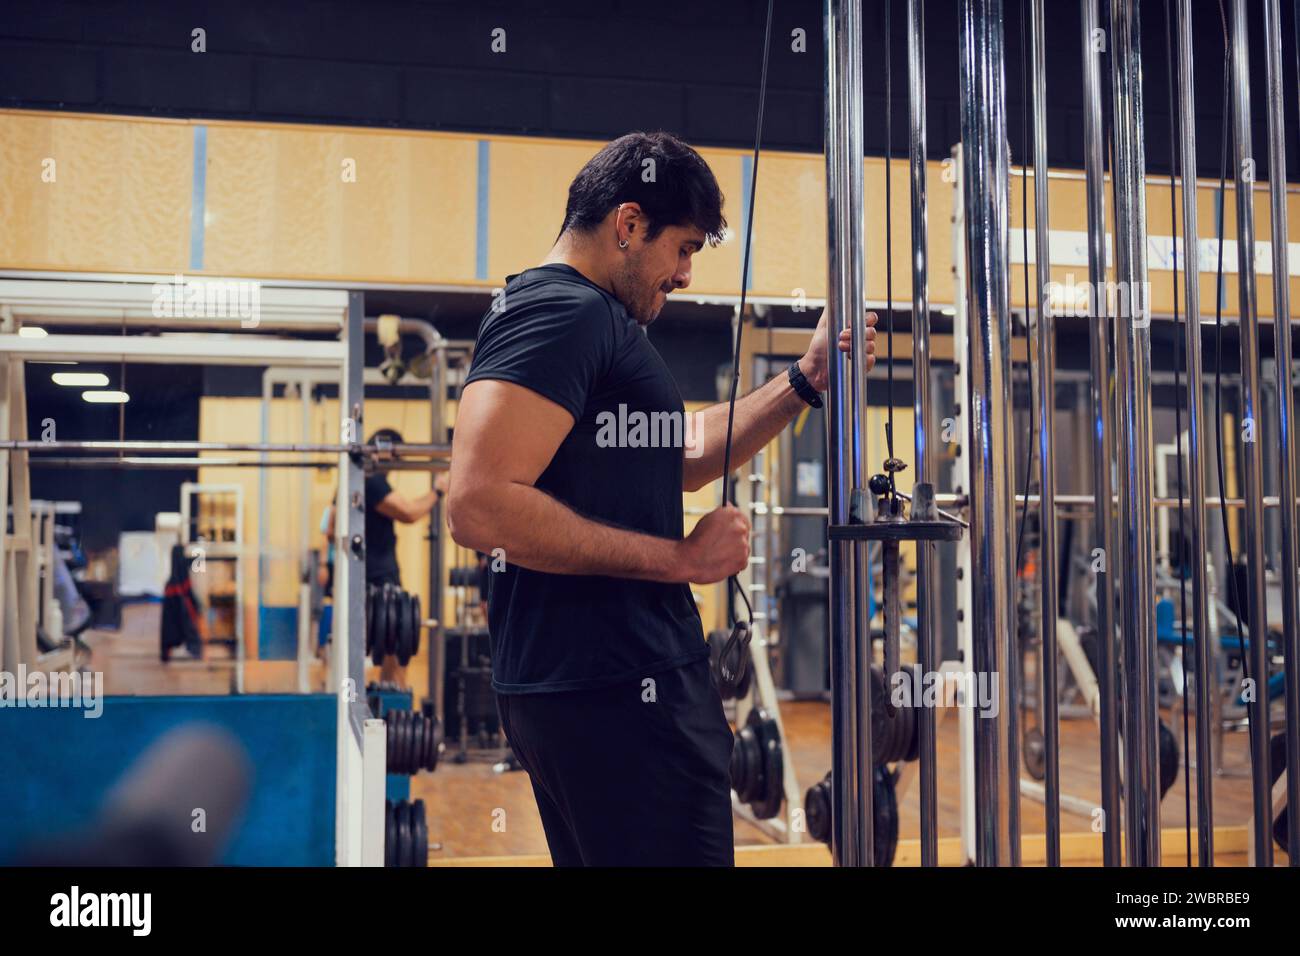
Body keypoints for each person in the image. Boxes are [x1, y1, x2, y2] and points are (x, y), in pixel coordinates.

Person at [447, 131, 876, 866]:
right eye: (681, 249)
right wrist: (680, 560)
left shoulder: (587, 320)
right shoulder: (563, 312)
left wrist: (805, 380)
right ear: (629, 223)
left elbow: (681, 454)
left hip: (600, 687)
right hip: (614, 691)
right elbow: (478, 505)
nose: (682, 275)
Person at [325, 429, 447, 682]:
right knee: (395, 641)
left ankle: (371, 702)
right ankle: (390, 699)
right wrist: (438, 491)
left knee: (371, 642)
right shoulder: (373, 480)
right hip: (380, 577)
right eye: (398, 456)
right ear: (386, 453)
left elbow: (329, 529)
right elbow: (410, 512)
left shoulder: (350, 480)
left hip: (358, 574)